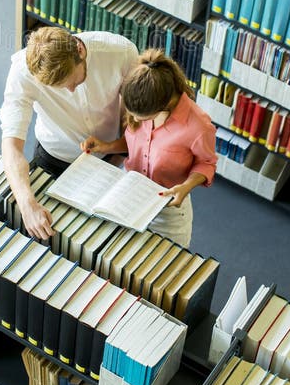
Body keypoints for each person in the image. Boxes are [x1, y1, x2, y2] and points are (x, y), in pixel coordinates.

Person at [0, 26, 139, 240]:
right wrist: (27, 205)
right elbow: (11, 147)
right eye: (61, 88)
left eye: (74, 82)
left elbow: (134, 112)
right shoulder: (21, 73)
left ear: (80, 51)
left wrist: (120, 151)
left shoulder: (121, 53)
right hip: (53, 159)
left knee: (98, 241)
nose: (71, 91)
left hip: (109, 158)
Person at [81, 49, 217, 249]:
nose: (134, 120)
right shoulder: (141, 101)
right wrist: (107, 146)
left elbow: (206, 163)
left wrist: (186, 186)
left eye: (141, 118)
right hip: (129, 194)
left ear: (163, 106)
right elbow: (139, 146)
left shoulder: (199, 126)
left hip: (167, 208)